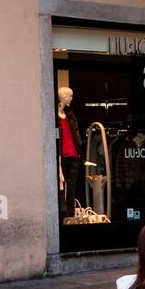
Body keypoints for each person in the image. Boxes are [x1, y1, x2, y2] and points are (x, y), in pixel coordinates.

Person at [57, 86, 83, 217]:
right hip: (61, 157)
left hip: (74, 156)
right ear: (64, 97)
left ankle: (70, 216)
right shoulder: (54, 116)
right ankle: (61, 215)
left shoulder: (70, 115)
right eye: (70, 96)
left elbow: (76, 133)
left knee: (71, 188)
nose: (72, 98)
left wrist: (79, 151)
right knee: (60, 186)